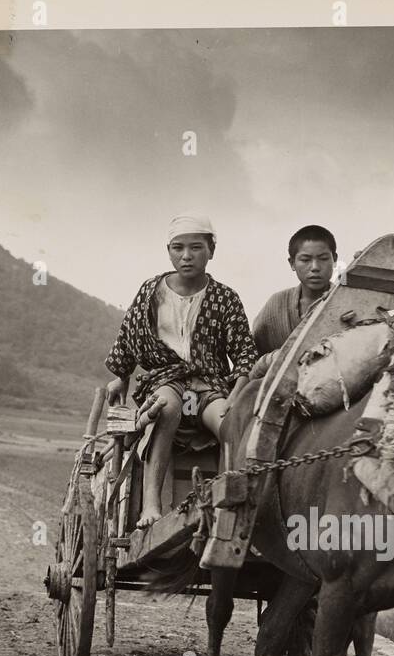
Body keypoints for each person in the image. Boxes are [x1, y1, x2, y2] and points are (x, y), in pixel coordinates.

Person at [105, 215, 257, 529]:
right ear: (169, 251)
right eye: (178, 248)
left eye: (196, 247)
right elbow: (129, 335)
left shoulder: (225, 298)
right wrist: (120, 376)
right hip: (164, 379)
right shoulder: (151, 291)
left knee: (231, 425)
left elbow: (244, 354)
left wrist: (236, 398)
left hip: (209, 383)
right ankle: (151, 503)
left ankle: (228, 504)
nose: (186, 256)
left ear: (211, 250)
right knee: (165, 409)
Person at [252, 224, 338, 356]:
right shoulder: (276, 305)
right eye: (305, 260)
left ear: (334, 260)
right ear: (292, 263)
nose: (315, 267)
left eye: (323, 259)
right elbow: (253, 353)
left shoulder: (345, 300)